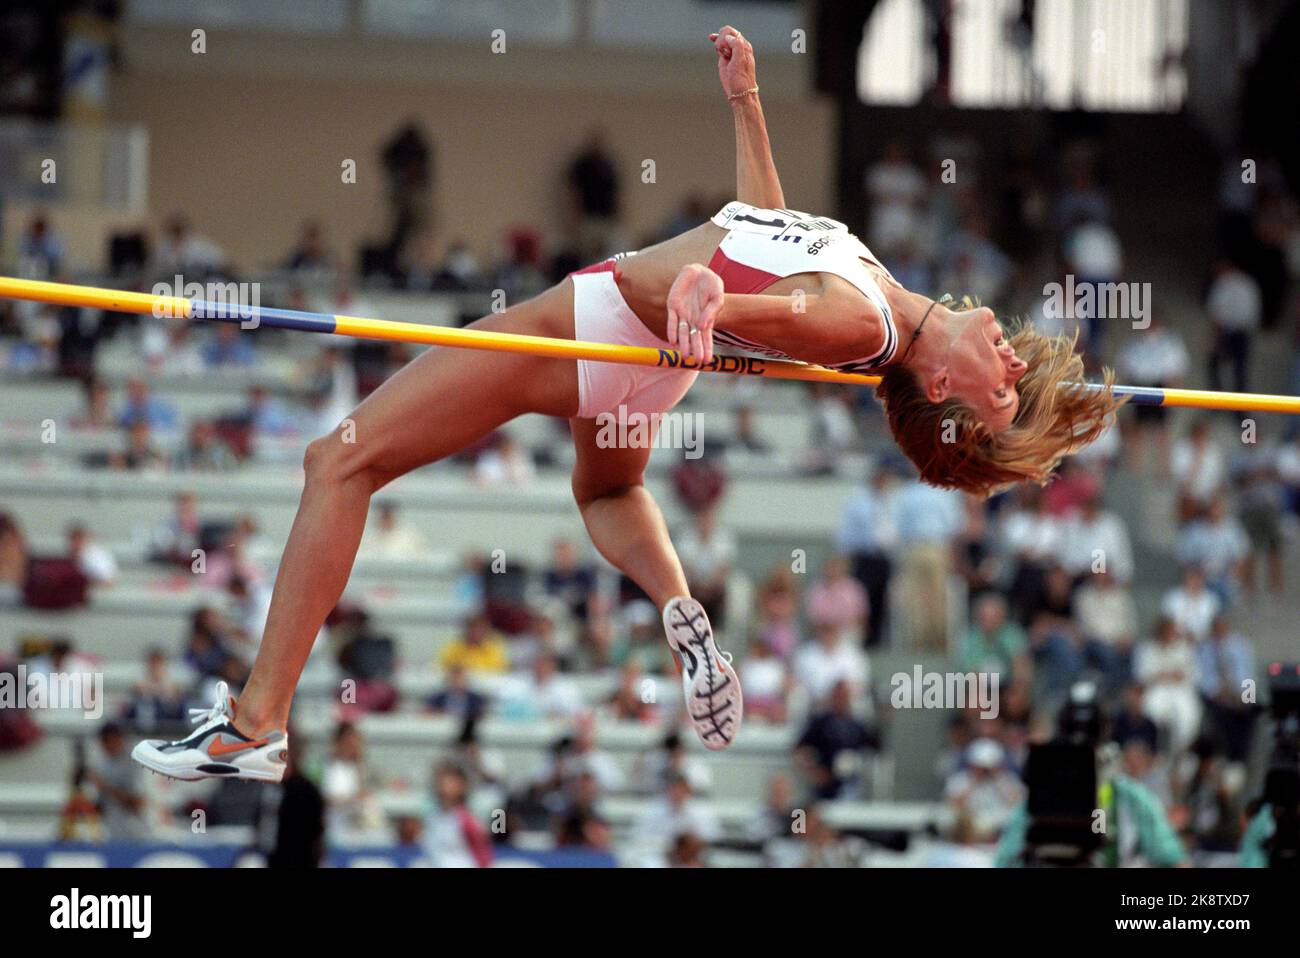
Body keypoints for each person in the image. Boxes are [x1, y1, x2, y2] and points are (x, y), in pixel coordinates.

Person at [132, 26, 1119, 783]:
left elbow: (785, 311)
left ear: (941, 390)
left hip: (606, 321)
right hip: (646, 359)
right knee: (607, 489)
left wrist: (708, 299)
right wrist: (748, 106)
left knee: (339, 459)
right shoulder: (875, 288)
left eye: (1002, 381)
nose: (1004, 346)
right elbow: (771, 234)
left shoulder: (862, 326)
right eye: (1013, 360)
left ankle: (256, 723)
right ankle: (679, 605)